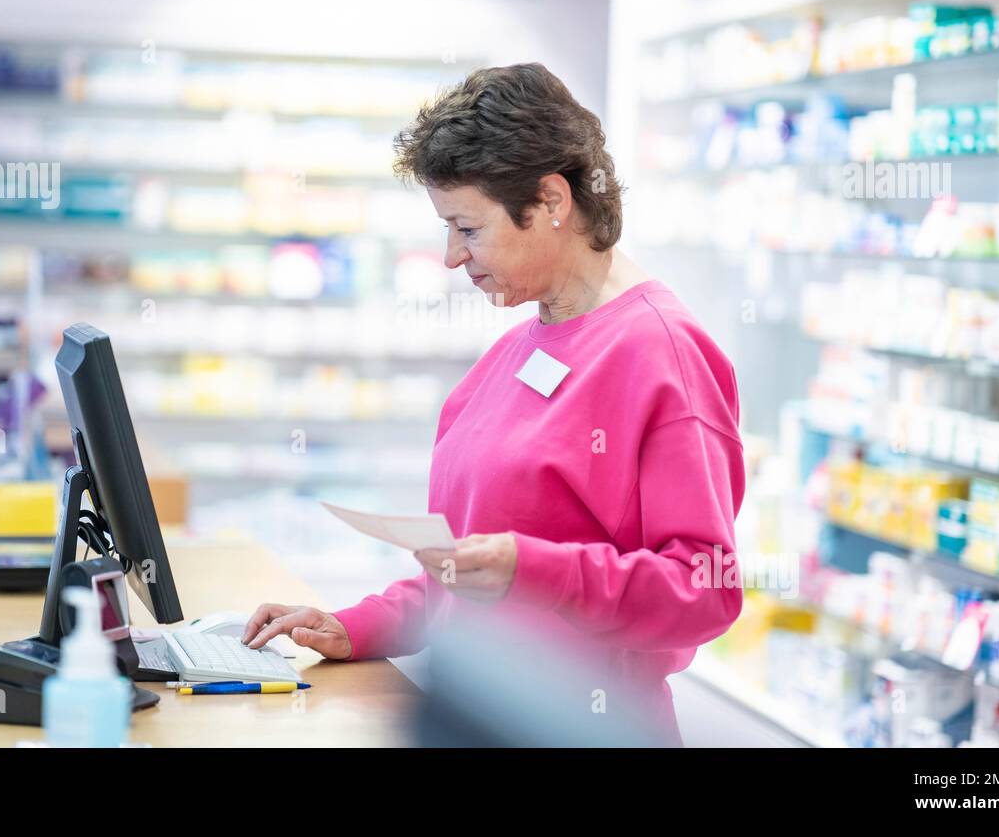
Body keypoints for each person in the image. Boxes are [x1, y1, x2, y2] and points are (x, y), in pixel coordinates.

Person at [241, 62, 744, 745]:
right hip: (478, 714)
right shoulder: (519, 350)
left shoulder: (663, 354)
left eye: (467, 228)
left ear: (551, 200)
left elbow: (705, 591)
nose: (452, 256)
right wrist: (352, 626)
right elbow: (471, 570)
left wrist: (533, 569)